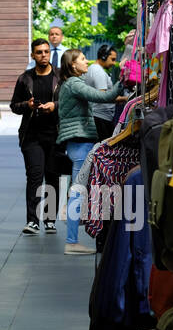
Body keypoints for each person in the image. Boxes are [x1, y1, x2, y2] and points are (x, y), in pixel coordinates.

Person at [56, 48, 119, 254]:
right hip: (80, 142)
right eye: (83, 59)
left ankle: (72, 239)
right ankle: (72, 241)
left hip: (76, 142)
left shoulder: (71, 84)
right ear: (73, 65)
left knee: (77, 191)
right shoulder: (74, 84)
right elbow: (104, 96)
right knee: (78, 192)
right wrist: (123, 81)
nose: (87, 62)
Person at [11, 38, 61, 236]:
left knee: (52, 177)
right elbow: (14, 106)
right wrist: (28, 106)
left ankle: (49, 220)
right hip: (31, 135)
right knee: (34, 177)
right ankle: (32, 221)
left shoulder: (60, 76)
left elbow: (67, 102)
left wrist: (54, 106)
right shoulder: (25, 79)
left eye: (46, 52)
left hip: (55, 134)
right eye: (39, 52)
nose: (43, 55)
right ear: (33, 55)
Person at [85, 44, 120, 141]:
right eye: (112, 59)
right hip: (100, 118)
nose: (114, 63)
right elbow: (103, 96)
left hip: (100, 117)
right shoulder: (98, 71)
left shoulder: (95, 69)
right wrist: (125, 99)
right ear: (104, 56)